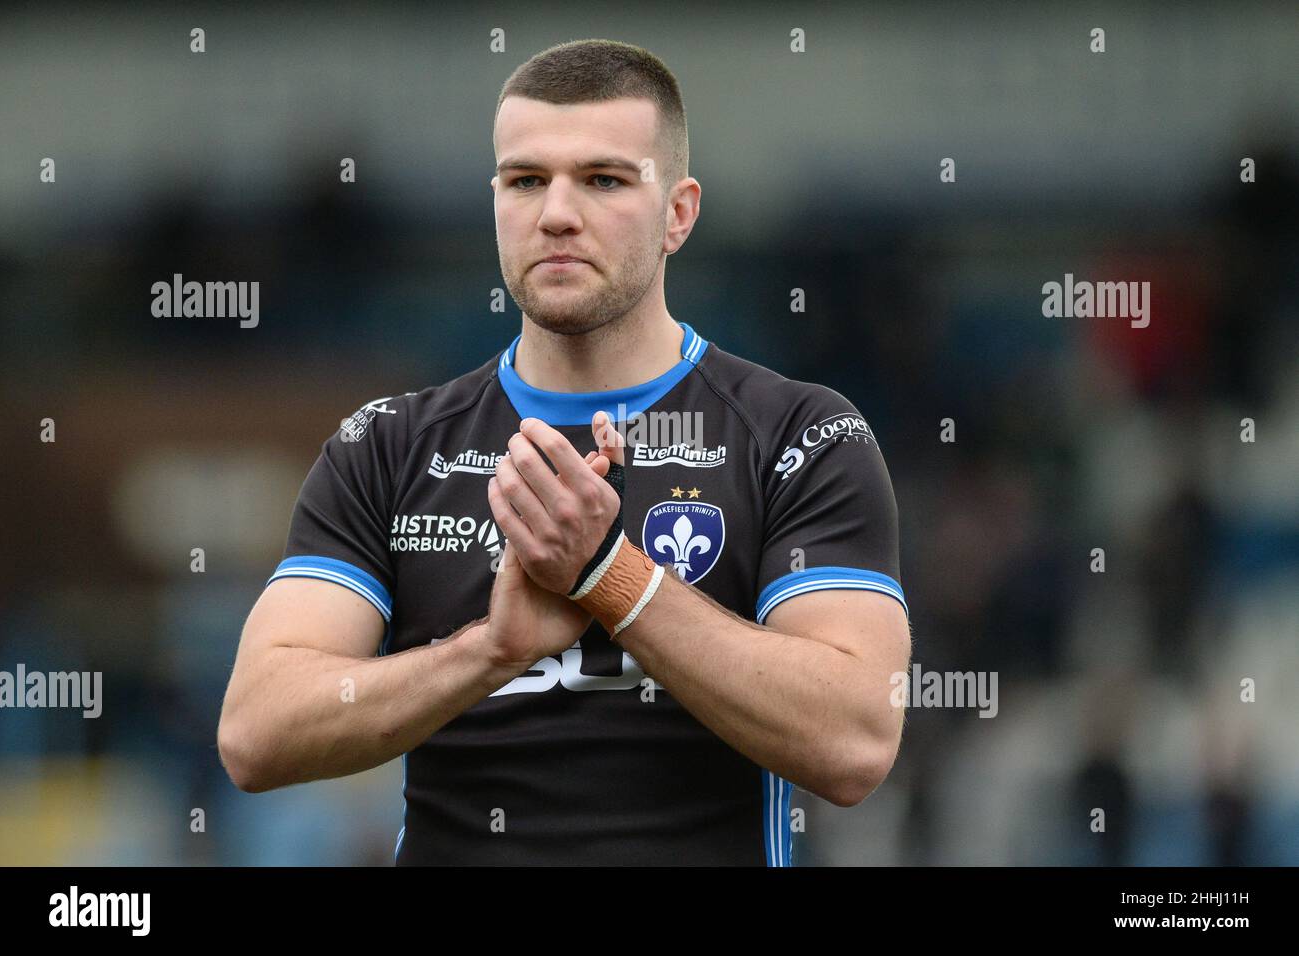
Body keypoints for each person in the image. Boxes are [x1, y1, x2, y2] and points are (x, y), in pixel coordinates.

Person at [217, 38, 911, 866]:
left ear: (678, 214)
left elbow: (855, 742)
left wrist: (607, 577)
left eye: (604, 179)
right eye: (525, 180)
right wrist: (491, 651)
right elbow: (255, 733)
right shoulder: (389, 445)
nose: (556, 213)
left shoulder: (798, 434)